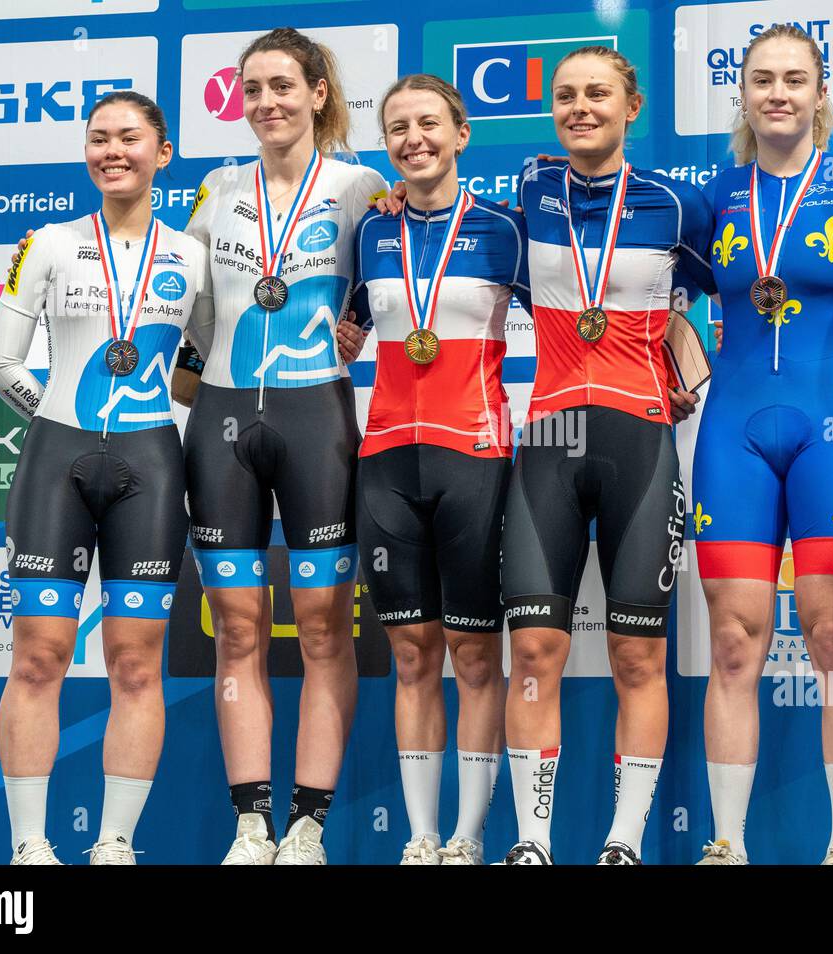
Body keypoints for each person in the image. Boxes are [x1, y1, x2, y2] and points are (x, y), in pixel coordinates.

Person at [497, 46, 716, 865]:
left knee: (637, 653)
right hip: (551, 437)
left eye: (597, 93)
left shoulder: (678, 204)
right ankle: (533, 841)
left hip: (641, 437)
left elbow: (746, 282)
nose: (580, 107)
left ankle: (623, 842)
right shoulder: (529, 192)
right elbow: (444, 220)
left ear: (633, 106)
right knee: (533, 651)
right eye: (565, 95)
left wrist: (688, 363)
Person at [0, 91, 212, 865]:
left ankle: (116, 844)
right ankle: (29, 846)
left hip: (151, 466)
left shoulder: (191, 255)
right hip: (57, 459)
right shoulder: (48, 242)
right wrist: (54, 418)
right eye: (98, 138)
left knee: (137, 663)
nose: (112, 151)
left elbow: (213, 359)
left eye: (129, 137)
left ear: (163, 152)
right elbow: (0, 364)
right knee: (38, 656)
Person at [181, 27, 387, 865]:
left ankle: (307, 825)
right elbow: (187, 308)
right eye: (253, 89)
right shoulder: (218, 187)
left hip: (316, 417)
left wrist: (358, 327)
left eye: (282, 86)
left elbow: (396, 281)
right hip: (223, 420)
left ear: (317, 93)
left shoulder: (361, 187)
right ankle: (251, 824)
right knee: (237, 628)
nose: (266, 103)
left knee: (323, 627)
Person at [690, 24, 833, 866]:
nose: (778, 93)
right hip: (733, 431)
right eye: (762, 79)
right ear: (741, 93)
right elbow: (625, 256)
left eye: (794, 79)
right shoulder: (710, 196)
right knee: (734, 641)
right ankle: (727, 843)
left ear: (820, 94)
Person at [350, 74, 528, 865]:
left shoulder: (506, 229)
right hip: (386, 456)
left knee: (475, 653)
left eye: (428, 123)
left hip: (475, 456)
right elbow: (347, 325)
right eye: (397, 127)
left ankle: (467, 836)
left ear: (462, 134)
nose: (413, 138)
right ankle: (423, 836)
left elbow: (577, 316)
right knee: (412, 652)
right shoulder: (369, 229)